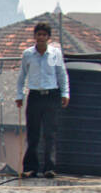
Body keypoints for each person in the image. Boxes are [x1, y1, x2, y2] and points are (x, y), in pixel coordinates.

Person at [15, 22, 70, 178]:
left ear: (48, 37)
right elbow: (21, 76)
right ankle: (30, 167)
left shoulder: (55, 54)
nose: (41, 38)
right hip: (35, 96)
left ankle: (49, 168)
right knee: (33, 133)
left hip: (51, 96)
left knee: (50, 133)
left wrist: (65, 93)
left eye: (44, 35)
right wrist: (19, 96)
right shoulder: (28, 54)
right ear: (35, 37)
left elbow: (61, 74)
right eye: (38, 34)